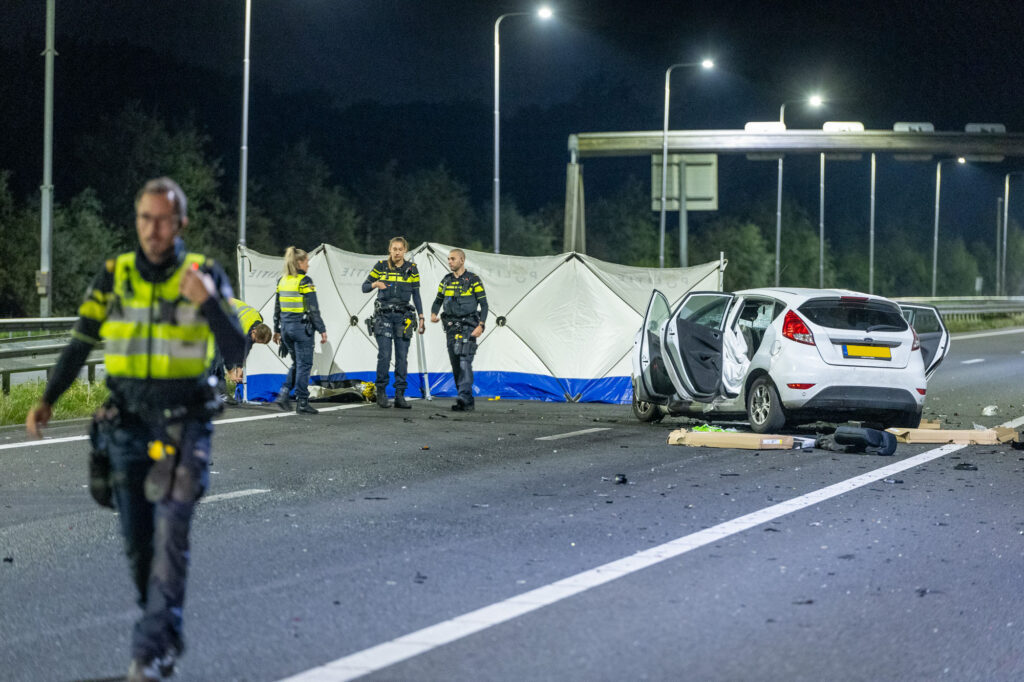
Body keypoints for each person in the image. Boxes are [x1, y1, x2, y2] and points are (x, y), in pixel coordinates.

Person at [25, 177, 245, 682]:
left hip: (185, 426)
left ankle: (148, 653)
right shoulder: (113, 275)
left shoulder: (204, 273)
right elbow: (79, 342)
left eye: (164, 219)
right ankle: (164, 631)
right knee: (139, 544)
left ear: (181, 224)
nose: (153, 228)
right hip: (124, 425)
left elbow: (236, 352)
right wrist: (46, 399)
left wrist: (210, 302)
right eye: (145, 218)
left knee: (170, 535)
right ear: (137, 221)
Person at [361, 236, 425, 409]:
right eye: (394, 249)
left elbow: (417, 295)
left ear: (405, 250)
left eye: (400, 249)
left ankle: (399, 396)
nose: (397, 252)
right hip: (383, 316)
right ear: (390, 249)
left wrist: (421, 317)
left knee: (402, 358)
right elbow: (364, 287)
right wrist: (375, 284)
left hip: (403, 317)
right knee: (384, 355)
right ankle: (381, 393)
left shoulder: (412, 269)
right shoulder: (381, 266)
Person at [431, 248, 487, 411]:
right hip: (450, 327)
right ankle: (466, 400)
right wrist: (433, 313)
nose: (450, 262)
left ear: (462, 260)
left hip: (469, 326)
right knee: (456, 364)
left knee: (464, 361)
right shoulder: (446, 280)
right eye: (448, 259)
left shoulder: (473, 279)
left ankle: (464, 397)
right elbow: (438, 300)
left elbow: (484, 304)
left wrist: (481, 325)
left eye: (453, 259)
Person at [273, 247, 327, 415]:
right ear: (298, 263)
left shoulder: (281, 281)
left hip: (286, 329)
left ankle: (283, 392)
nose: (308, 265)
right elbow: (313, 309)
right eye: (306, 262)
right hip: (301, 329)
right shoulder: (305, 281)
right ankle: (302, 401)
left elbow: (277, 309)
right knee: (305, 365)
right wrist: (322, 329)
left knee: (297, 363)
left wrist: (276, 330)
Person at [210, 297, 272, 404]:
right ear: (254, 331)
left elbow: (247, 345)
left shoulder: (258, 321)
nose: (254, 342)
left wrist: (239, 368)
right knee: (214, 359)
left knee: (217, 360)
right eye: (255, 340)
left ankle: (221, 393)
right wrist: (230, 373)